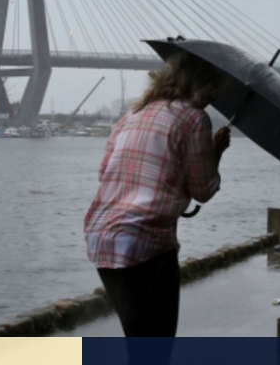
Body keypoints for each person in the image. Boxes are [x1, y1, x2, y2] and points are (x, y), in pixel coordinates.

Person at [84, 51, 231, 337]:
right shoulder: (194, 119)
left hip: (103, 239)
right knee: (154, 349)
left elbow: (105, 174)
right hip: (146, 244)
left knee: (139, 342)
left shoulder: (131, 116)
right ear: (203, 86)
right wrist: (216, 153)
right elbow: (203, 190)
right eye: (211, 89)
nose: (211, 97)